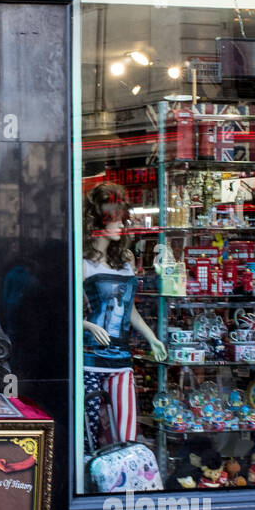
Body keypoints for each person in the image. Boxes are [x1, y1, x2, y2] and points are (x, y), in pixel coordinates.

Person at [83, 183, 166, 450]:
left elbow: (128, 309)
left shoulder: (125, 261)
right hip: (89, 359)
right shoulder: (82, 262)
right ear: (100, 220)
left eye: (122, 218)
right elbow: (65, 309)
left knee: (128, 439)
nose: (122, 225)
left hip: (121, 358)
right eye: (116, 219)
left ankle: (127, 487)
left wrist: (152, 338)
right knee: (88, 435)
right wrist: (85, 324)